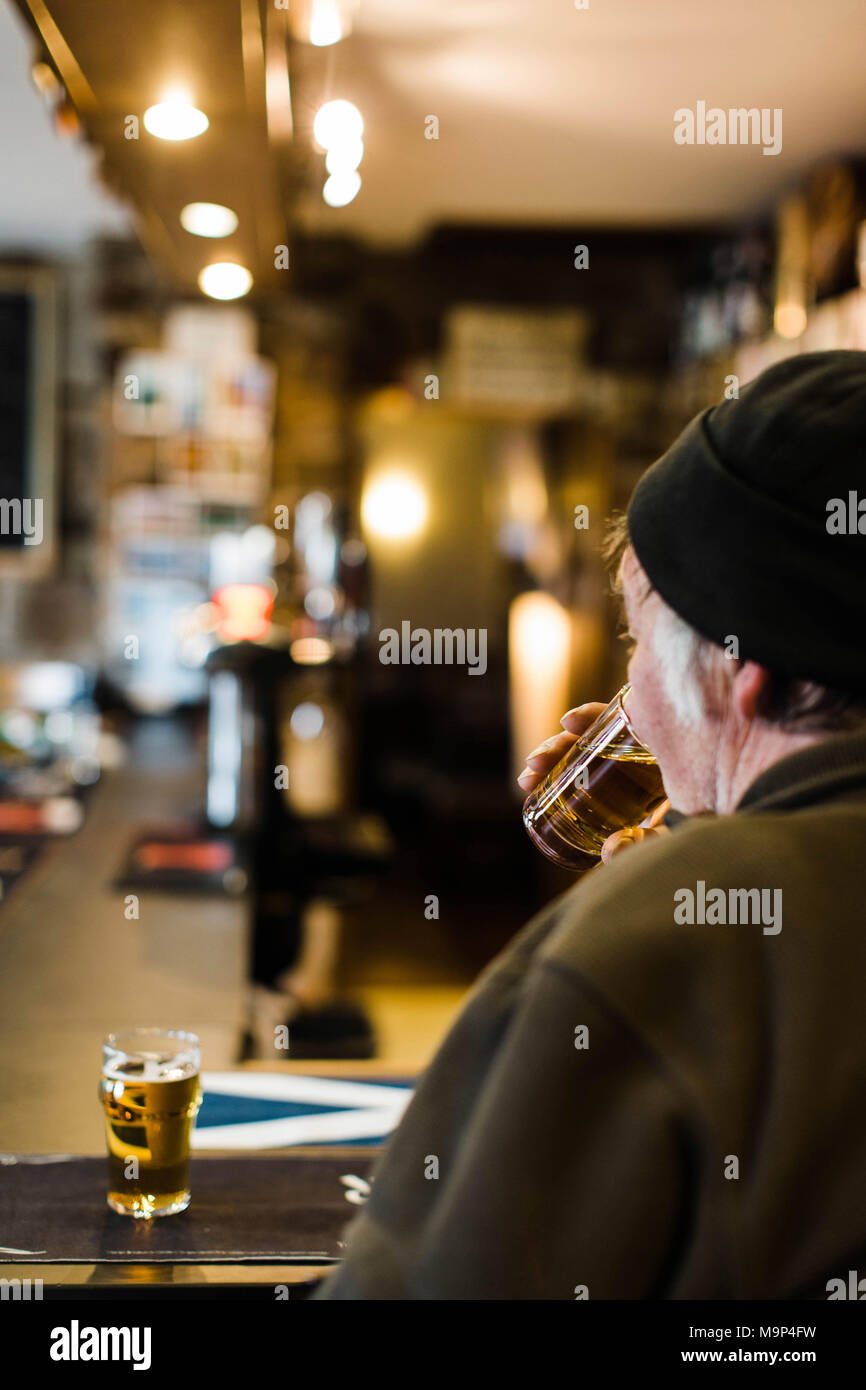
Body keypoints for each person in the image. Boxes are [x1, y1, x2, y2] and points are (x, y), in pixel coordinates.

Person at [313, 349, 866, 1299]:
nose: (622, 696)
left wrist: (663, 910)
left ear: (744, 675)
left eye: (638, 641)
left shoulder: (648, 947)